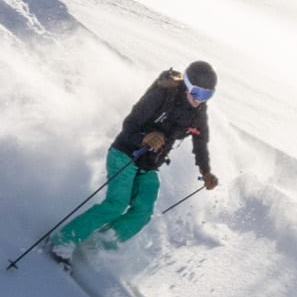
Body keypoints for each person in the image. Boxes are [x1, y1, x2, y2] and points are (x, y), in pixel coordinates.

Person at [50, 61, 220, 261]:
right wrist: (144, 137)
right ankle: (64, 239)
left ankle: (101, 242)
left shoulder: (198, 113)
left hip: (149, 165)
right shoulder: (163, 95)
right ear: (188, 86)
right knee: (116, 204)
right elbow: (129, 124)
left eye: (208, 95)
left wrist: (205, 171)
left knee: (143, 212)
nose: (201, 100)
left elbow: (200, 143)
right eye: (198, 93)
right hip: (125, 153)